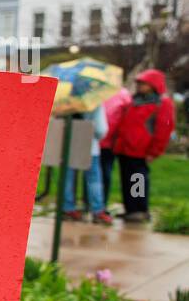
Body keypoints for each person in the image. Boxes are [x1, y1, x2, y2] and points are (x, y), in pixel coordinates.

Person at [110, 69, 175, 223]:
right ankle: (130, 208)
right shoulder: (135, 101)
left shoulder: (162, 103)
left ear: (153, 85)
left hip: (140, 150)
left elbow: (164, 128)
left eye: (143, 83)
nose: (139, 86)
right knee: (127, 179)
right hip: (125, 147)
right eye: (138, 83)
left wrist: (155, 150)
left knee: (137, 179)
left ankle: (139, 209)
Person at [62, 103, 110, 224]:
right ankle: (97, 210)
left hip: (69, 144)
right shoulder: (94, 102)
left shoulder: (66, 101)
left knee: (68, 178)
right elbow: (101, 129)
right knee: (93, 179)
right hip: (89, 145)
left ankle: (67, 208)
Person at [97, 87, 130, 213]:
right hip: (97, 142)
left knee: (103, 174)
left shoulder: (122, 94)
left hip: (110, 143)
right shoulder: (97, 94)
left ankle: (101, 204)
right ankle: (94, 204)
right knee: (95, 175)